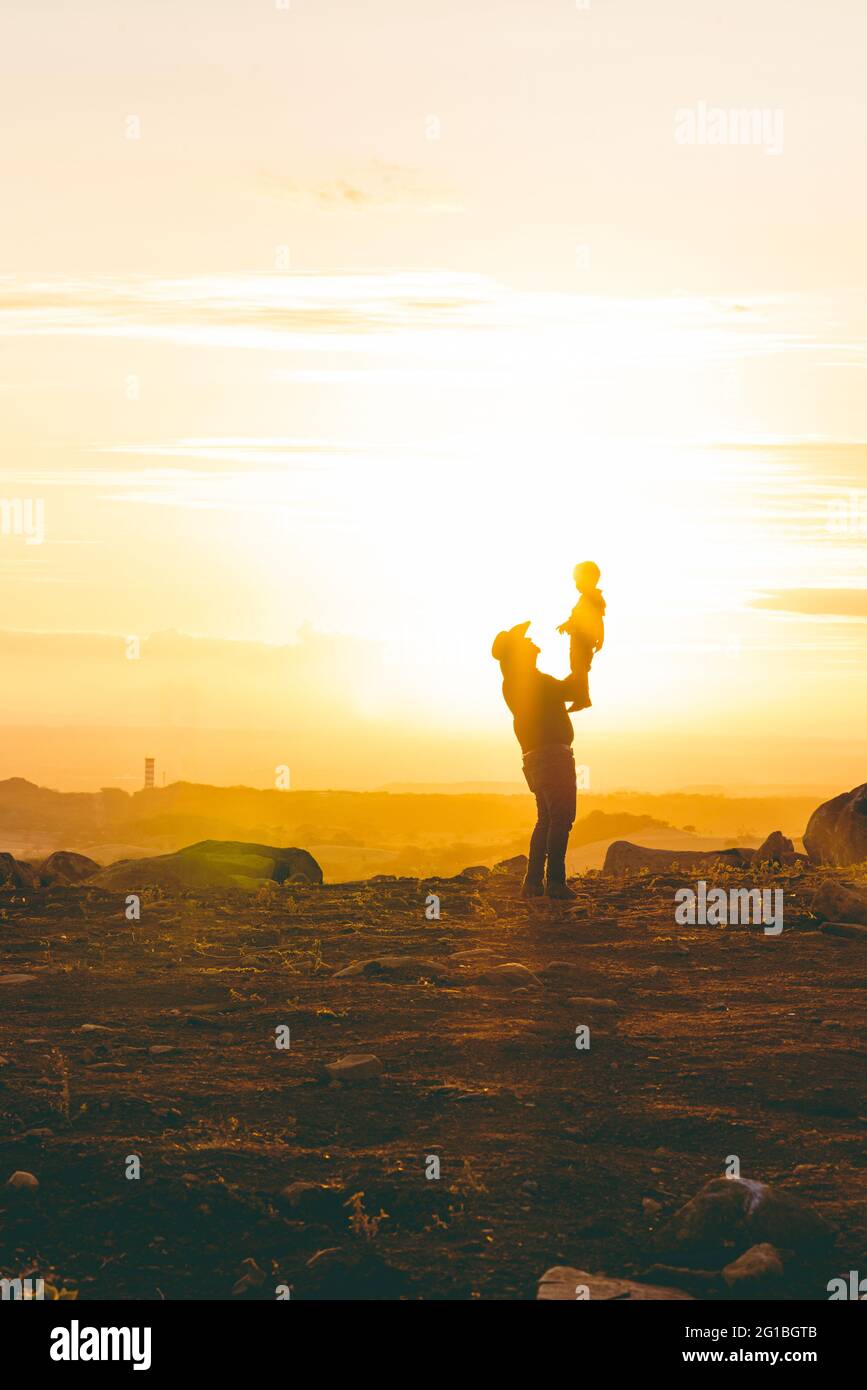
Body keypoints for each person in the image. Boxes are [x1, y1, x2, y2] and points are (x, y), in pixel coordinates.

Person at [491, 621, 579, 899]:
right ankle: (555, 883)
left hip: (535, 757)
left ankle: (532, 883)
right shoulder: (532, 680)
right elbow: (572, 690)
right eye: (526, 642)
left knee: (546, 819)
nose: (532, 643)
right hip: (553, 756)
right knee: (561, 818)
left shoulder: (517, 682)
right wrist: (581, 656)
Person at [557, 560, 605, 712]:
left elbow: (597, 619)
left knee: (579, 667)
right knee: (578, 667)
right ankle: (572, 691)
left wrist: (600, 637)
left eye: (578, 580)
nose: (576, 584)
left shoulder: (592, 598)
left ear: (590, 579)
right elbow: (577, 617)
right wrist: (567, 624)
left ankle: (582, 697)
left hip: (583, 639)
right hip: (580, 638)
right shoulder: (585, 599)